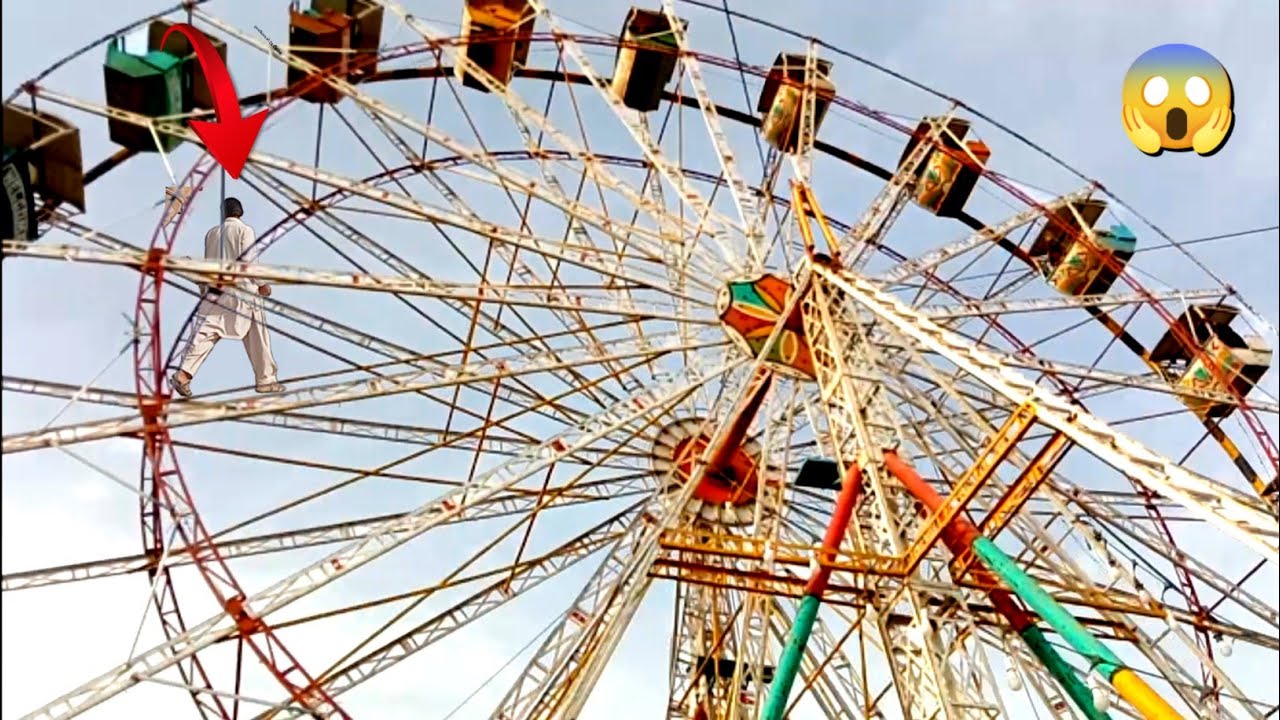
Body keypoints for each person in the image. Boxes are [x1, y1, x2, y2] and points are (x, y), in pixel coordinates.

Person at [170, 197, 285, 397]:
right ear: (241, 212)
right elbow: (248, 261)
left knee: (205, 334)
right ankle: (266, 381)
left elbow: (208, 264)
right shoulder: (244, 231)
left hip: (216, 291)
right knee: (258, 337)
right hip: (243, 292)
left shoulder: (212, 234)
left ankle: (183, 374)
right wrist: (261, 283)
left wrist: (205, 290)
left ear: (223, 213)